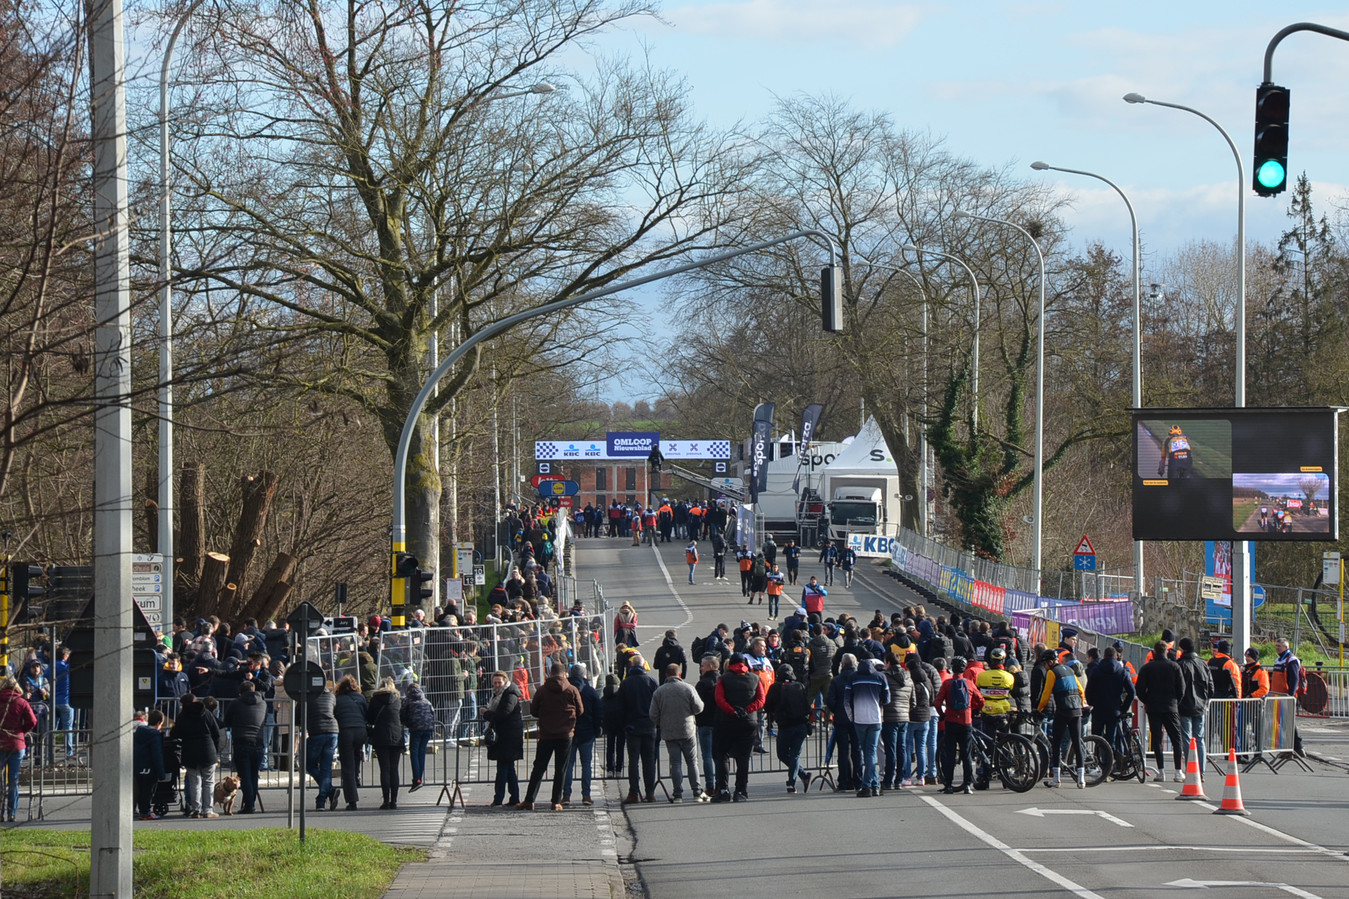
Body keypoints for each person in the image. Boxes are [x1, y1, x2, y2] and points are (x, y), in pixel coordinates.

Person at [520, 662, 584, 811]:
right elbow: (580, 710)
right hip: (565, 734)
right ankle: (556, 801)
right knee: (560, 768)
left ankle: (530, 800)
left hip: (546, 734)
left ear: (550, 673)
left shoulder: (542, 690)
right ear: (564, 674)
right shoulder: (572, 690)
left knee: (539, 768)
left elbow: (534, 711)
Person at [713, 652, 765, 802]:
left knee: (723, 756)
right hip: (748, 721)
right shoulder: (754, 678)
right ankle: (741, 790)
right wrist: (748, 710)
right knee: (743, 758)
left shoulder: (723, 679)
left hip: (727, 721)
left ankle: (723, 790)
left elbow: (719, 698)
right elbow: (761, 700)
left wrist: (732, 710)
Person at [650, 663, 706, 803]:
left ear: (666, 674)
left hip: (669, 731)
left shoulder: (659, 691)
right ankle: (696, 792)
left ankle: (678, 794)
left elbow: (653, 714)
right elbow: (699, 707)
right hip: (687, 729)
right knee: (692, 762)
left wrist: (661, 722)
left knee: (675, 763)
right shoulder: (688, 688)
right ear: (679, 674)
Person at [1135, 639, 1185, 782]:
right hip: (1171, 706)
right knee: (1176, 739)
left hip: (1154, 707)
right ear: (1167, 651)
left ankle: (1161, 771)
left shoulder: (1147, 668)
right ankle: (1177, 771)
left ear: (1154, 651)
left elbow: (1139, 689)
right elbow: (1181, 689)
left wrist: (1147, 700)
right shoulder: (1175, 666)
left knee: (1156, 740)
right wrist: (1175, 702)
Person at [1035, 649, 1087, 789]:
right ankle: (1081, 779)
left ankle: (1056, 779)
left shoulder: (1052, 672)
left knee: (1056, 744)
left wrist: (1038, 709)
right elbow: (1081, 690)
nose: (1045, 666)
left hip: (1063, 711)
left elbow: (1046, 695)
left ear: (1051, 662)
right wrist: (1082, 704)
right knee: (1076, 743)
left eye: (1045, 664)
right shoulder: (1070, 670)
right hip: (1076, 711)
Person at [934, 657, 984, 793]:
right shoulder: (969, 683)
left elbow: (937, 703)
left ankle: (948, 784)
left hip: (950, 721)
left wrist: (942, 715)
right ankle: (967, 784)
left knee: (950, 753)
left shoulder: (947, 684)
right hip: (966, 721)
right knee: (966, 754)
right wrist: (973, 710)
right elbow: (981, 700)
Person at [171, 692, 224, 818]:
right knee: (208, 781)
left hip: (190, 751)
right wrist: (215, 750)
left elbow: (175, 733)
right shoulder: (206, 713)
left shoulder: (182, 716)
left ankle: (196, 809)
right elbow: (216, 733)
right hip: (207, 749)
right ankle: (208, 810)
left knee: (194, 782)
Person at [618, 654, 660, 803]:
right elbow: (657, 704)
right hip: (649, 725)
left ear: (631, 667)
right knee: (649, 761)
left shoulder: (626, 683)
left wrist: (624, 725)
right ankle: (650, 793)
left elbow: (621, 707)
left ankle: (633, 793)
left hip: (632, 726)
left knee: (633, 761)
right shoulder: (651, 682)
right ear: (643, 666)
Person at [765, 662, 811, 793]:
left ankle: (793, 782)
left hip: (785, 726)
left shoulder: (775, 687)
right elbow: (807, 707)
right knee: (795, 754)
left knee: (782, 754)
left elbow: (767, 706)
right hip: (801, 725)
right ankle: (799, 777)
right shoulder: (799, 686)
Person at [223, 680, 267, 814]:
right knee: (254, 775)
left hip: (242, 741)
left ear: (240, 692)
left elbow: (227, 721)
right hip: (258, 742)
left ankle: (249, 805)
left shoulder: (236, 703)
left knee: (245, 776)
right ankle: (251, 803)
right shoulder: (263, 703)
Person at [1084, 645, 1135, 757]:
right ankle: (1111, 762)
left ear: (1104, 656)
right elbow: (1131, 692)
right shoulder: (1121, 671)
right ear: (1116, 656)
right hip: (1114, 710)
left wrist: (1092, 703)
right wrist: (1123, 708)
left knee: (1097, 738)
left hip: (1098, 709)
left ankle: (1099, 761)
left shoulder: (1096, 671)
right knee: (1112, 738)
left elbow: (1088, 691)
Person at [482, 670, 524, 807]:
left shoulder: (510, 695)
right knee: (509, 768)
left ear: (505, 681)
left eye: (499, 682)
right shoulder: (500, 694)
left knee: (502, 769)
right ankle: (514, 797)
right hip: (506, 736)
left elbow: (503, 715)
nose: (496, 685)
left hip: (509, 737)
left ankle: (499, 798)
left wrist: (487, 714)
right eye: (494, 683)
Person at [562, 664, 602, 806]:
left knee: (568, 765)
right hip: (587, 732)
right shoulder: (590, 691)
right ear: (584, 675)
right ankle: (586, 795)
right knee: (586, 765)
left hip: (569, 731)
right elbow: (598, 712)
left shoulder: (565, 690)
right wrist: (597, 729)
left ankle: (566, 795)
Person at [0, 675, 38, 823]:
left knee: (0, 780)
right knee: (13, 779)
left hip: (1, 742)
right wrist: (22, 730)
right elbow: (33, 721)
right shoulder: (21, 701)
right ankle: (12, 813)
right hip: (17, 742)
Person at [1176, 637, 1213, 775]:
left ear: (1182, 649)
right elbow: (1211, 686)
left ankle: (1190, 769)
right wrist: (1205, 699)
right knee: (1199, 739)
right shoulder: (1203, 663)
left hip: (1185, 705)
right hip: (1200, 706)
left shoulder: (1181, 664)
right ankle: (1201, 771)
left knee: (1186, 738)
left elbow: (1178, 687)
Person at [878, 651, 911, 792]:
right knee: (901, 748)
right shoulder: (908, 677)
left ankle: (888, 779)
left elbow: (882, 696)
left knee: (890, 750)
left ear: (888, 662)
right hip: (904, 716)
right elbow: (913, 698)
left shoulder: (885, 677)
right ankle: (899, 779)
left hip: (890, 716)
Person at [1271, 637, 1306, 756]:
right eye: (1276, 646)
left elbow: (1294, 679)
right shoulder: (1279, 659)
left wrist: (1291, 696)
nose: (1277, 648)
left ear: (1286, 647)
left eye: (1279, 646)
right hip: (1278, 695)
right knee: (1283, 722)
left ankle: (1296, 747)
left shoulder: (1291, 660)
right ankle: (1289, 747)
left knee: (1288, 722)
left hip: (1286, 696)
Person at [133, 709, 168, 820]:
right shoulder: (155, 735)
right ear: (158, 723)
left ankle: (142, 811)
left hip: (138, 766)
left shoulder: (139, 732)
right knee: (148, 792)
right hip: (150, 768)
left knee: (141, 790)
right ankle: (145, 812)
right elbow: (156, 754)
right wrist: (161, 773)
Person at [401, 683, 436, 794]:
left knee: (414, 753)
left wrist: (407, 724)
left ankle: (417, 779)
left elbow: (402, 715)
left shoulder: (407, 700)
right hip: (428, 728)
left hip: (416, 728)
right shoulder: (426, 700)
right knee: (421, 753)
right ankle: (420, 778)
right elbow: (433, 713)